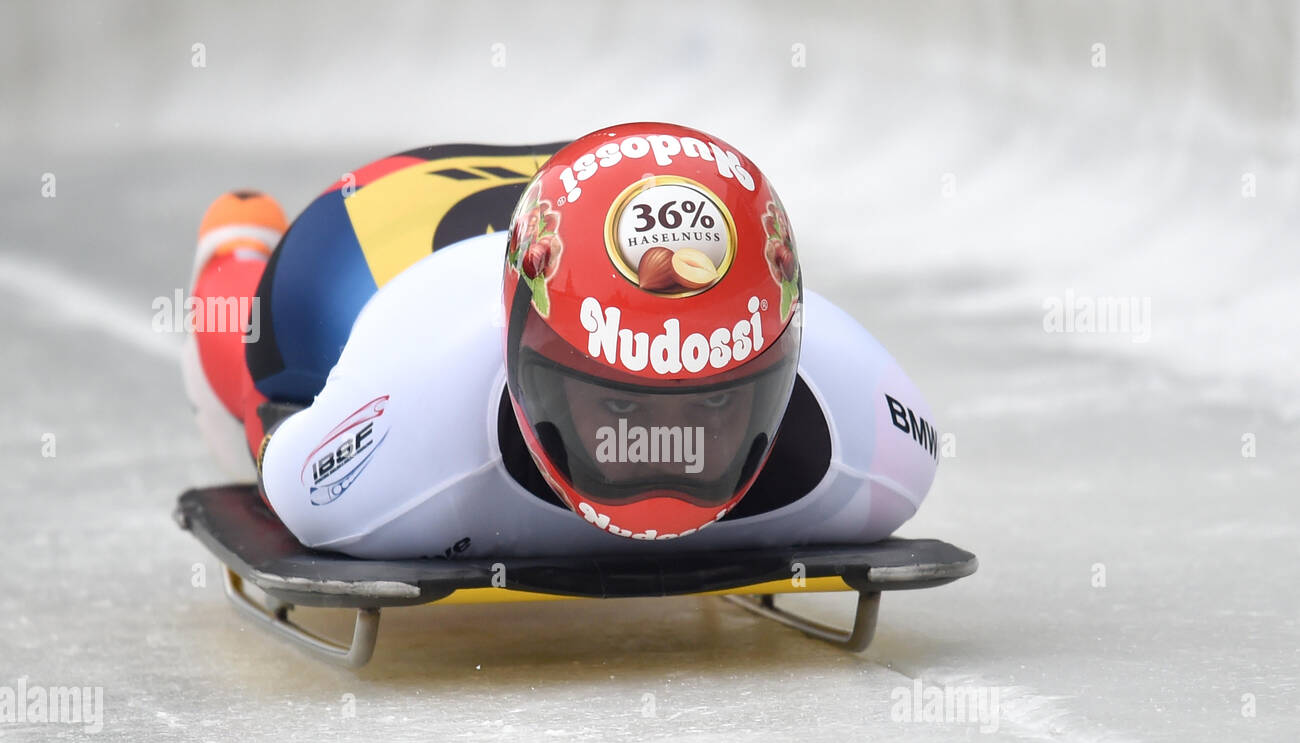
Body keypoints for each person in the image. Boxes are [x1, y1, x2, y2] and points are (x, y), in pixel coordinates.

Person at [183, 123, 941, 560]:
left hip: (582, 202)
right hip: (370, 237)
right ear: (523, 361)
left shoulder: (876, 445)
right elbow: (293, 475)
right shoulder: (399, 450)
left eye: (716, 399)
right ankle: (238, 246)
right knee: (259, 367)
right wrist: (277, 428)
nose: (669, 444)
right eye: (619, 402)